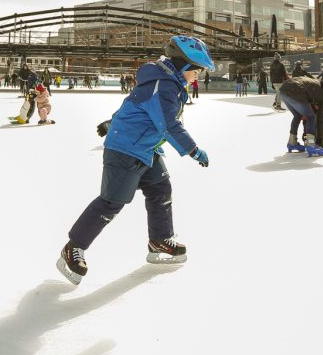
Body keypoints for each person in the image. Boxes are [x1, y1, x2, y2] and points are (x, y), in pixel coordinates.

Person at [57, 35, 215, 286]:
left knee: (160, 189)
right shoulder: (163, 85)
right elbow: (168, 124)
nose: (197, 77)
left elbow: (134, 104)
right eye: (196, 71)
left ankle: (160, 240)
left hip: (147, 147)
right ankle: (73, 248)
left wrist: (112, 121)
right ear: (183, 66)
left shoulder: (167, 82)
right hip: (126, 149)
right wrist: (194, 150)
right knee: (111, 202)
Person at [279, 76, 323, 156]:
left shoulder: (318, 84)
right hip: (296, 92)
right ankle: (311, 145)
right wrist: (319, 141)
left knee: (297, 115)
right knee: (311, 117)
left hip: (283, 90)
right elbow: (321, 119)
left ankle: (292, 142)